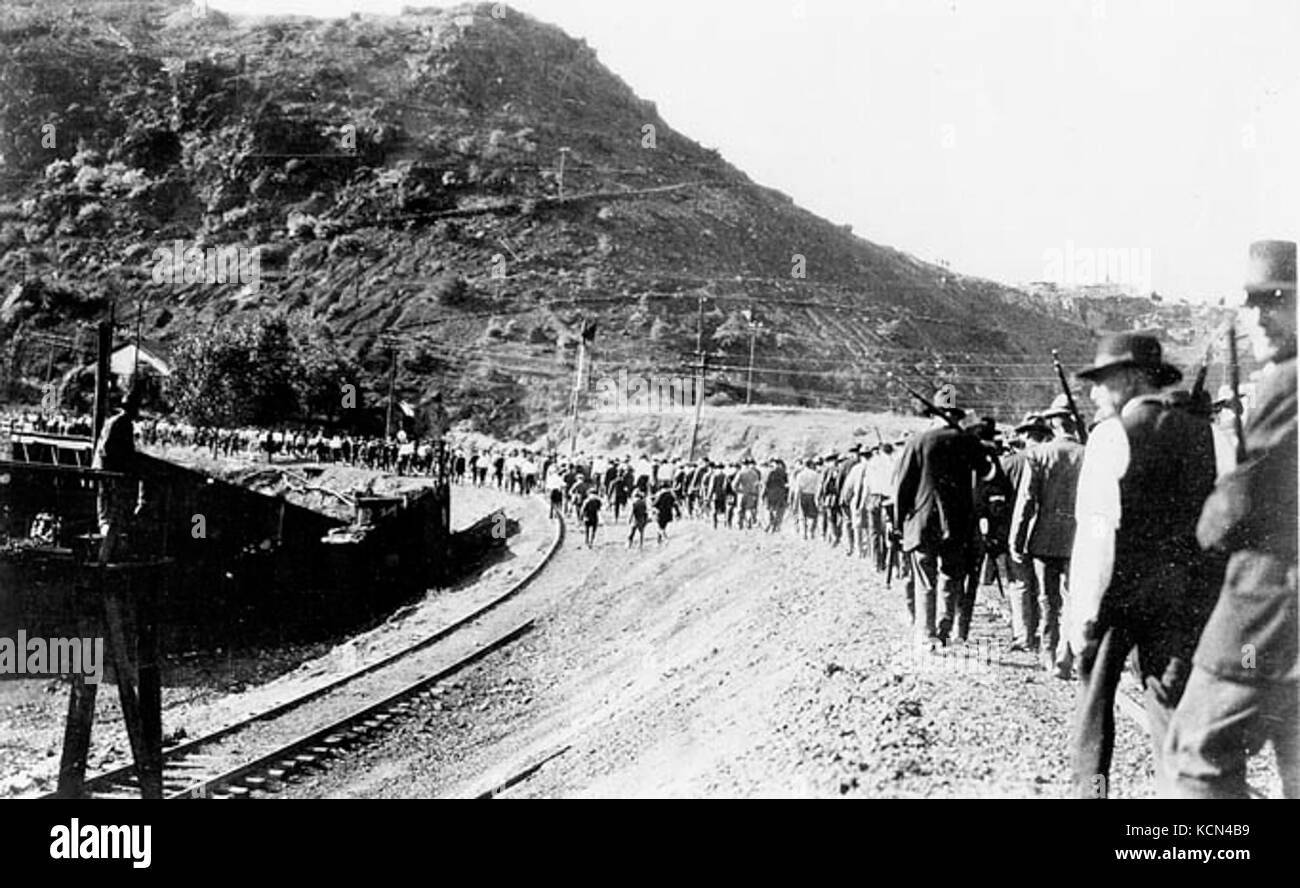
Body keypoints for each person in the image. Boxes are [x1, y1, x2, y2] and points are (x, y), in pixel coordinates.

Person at [1163, 239, 1298, 798]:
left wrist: (1211, 516)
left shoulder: (1288, 383)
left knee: (1196, 755)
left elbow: (1232, 511)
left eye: (1277, 299)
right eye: (1251, 301)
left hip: (1267, 607)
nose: (1259, 316)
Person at [1066, 332, 1218, 799]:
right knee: (1171, 707)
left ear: (1131, 380)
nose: (1093, 394)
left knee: (1094, 709)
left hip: (1118, 595)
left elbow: (1097, 538)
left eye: (1101, 381)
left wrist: (1083, 618)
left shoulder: (1110, 437)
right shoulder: (1210, 434)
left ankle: (1091, 795)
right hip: (1181, 596)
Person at [893, 386, 995, 648]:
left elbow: (903, 488)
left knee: (926, 580)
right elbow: (987, 472)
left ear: (932, 414)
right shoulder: (967, 441)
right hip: (957, 523)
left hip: (923, 522)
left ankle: (927, 635)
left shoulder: (918, 442)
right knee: (951, 576)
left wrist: (898, 523)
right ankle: (944, 630)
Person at [1010, 401, 1084, 676]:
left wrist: (1016, 541)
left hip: (1044, 538)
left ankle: (1049, 653)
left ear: (1053, 423)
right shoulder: (1087, 454)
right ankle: (1067, 654)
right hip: (1078, 538)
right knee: (1074, 598)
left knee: (1047, 599)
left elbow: (1027, 501)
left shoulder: (1039, 454)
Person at [92, 385, 147, 564]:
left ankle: (108, 553)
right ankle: (104, 557)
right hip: (110, 474)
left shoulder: (118, 422)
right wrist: (123, 468)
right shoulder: (120, 423)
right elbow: (109, 450)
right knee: (111, 516)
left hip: (108, 472)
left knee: (110, 515)